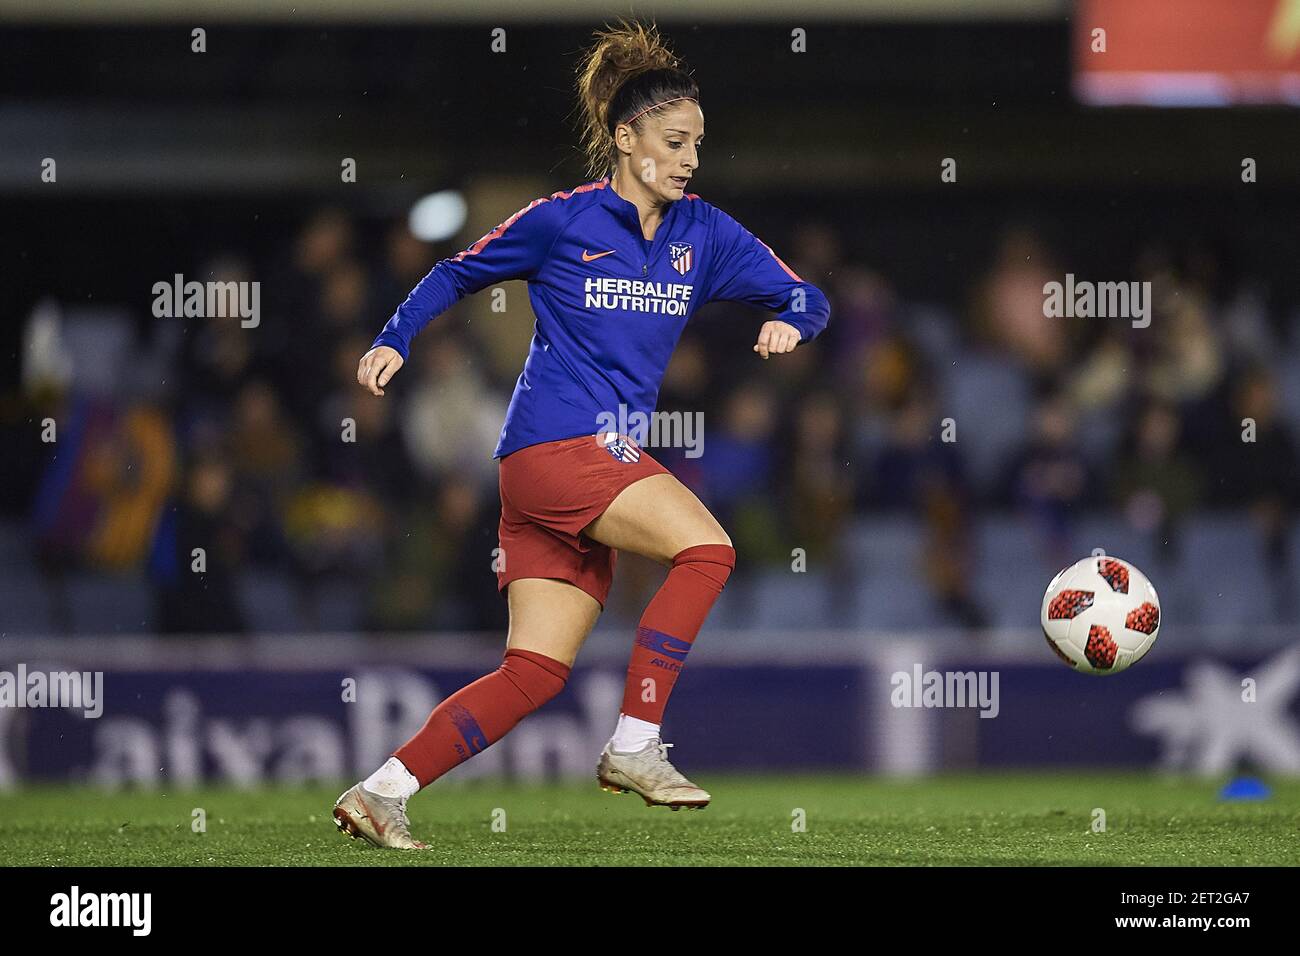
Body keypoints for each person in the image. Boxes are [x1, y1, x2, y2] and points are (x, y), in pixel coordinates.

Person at [334, 18, 829, 849]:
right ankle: (636, 742)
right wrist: (392, 336)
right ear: (625, 136)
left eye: (698, 144)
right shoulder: (562, 222)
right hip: (558, 446)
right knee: (708, 551)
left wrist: (792, 325)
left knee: (532, 672)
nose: (690, 160)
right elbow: (459, 271)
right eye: (674, 141)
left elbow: (806, 295)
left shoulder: (703, 234)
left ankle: (383, 790)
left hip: (561, 474)